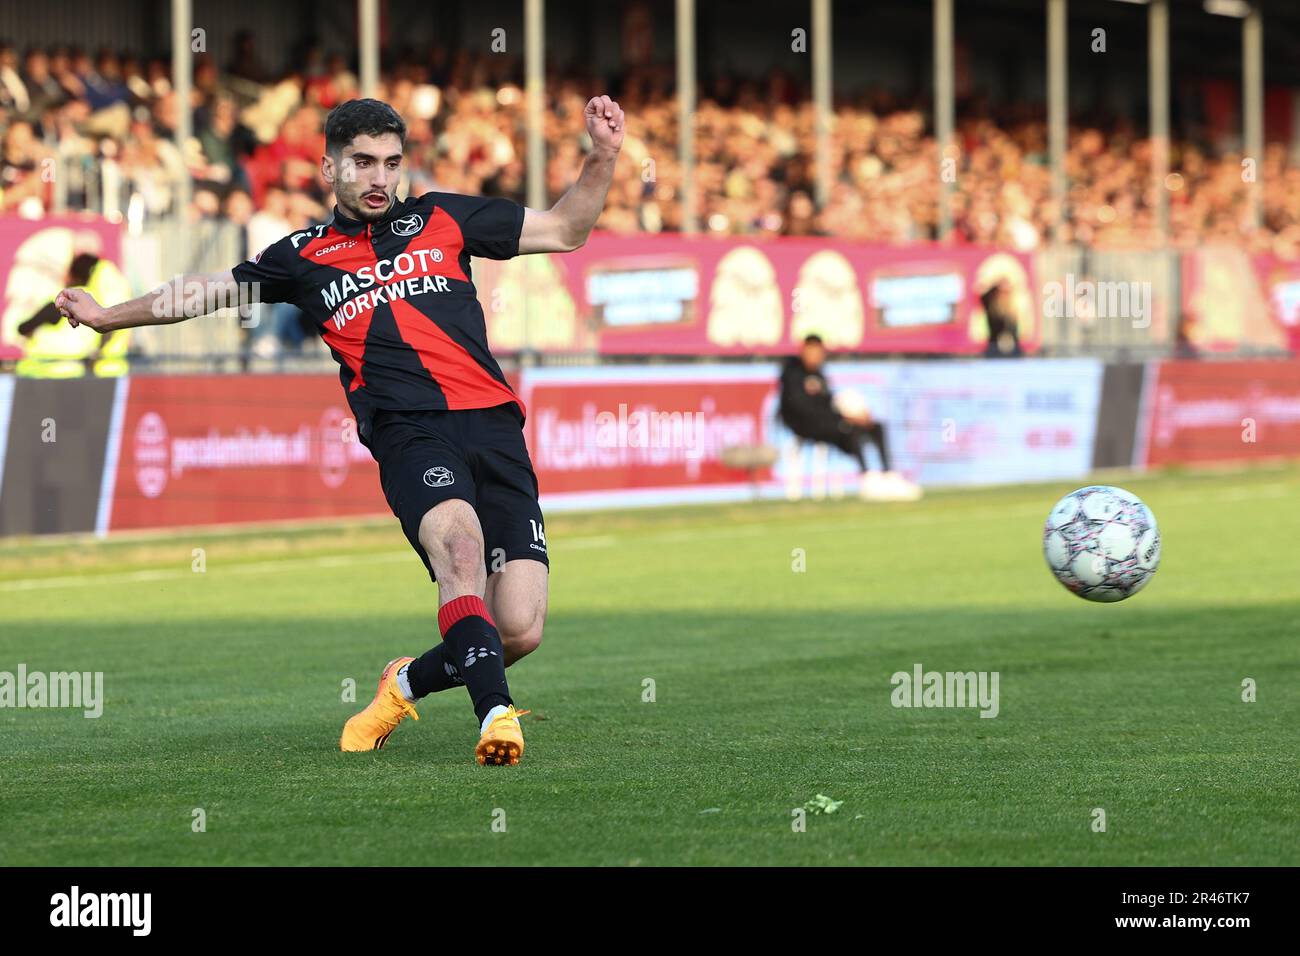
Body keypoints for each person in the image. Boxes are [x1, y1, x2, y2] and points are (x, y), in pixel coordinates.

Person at [54, 95, 626, 765]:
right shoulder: (303, 256)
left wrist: (603, 157)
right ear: (329, 167)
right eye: (362, 163)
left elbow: (564, 229)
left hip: (494, 429)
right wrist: (106, 316)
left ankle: (403, 683)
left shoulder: (444, 215)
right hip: (410, 434)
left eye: (390, 162)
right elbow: (200, 293)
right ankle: (496, 716)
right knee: (459, 553)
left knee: (520, 628)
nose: (379, 178)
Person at [778, 334, 921, 501]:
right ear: (804, 350)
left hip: (829, 422)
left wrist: (853, 413)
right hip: (805, 425)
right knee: (850, 430)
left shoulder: (819, 374)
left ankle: (888, 474)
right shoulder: (792, 373)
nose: (816, 356)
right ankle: (867, 478)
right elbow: (800, 407)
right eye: (812, 351)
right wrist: (843, 418)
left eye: (819, 352)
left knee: (875, 427)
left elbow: (829, 400)